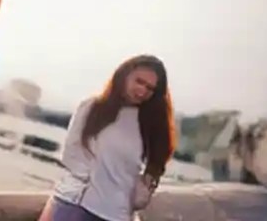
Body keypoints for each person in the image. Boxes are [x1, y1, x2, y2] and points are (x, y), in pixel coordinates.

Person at [41, 55, 176, 221]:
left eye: (150, 88)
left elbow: (149, 170)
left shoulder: (150, 124)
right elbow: (71, 153)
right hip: (75, 204)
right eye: (139, 81)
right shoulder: (93, 107)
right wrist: (89, 181)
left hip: (117, 214)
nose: (142, 91)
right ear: (125, 74)